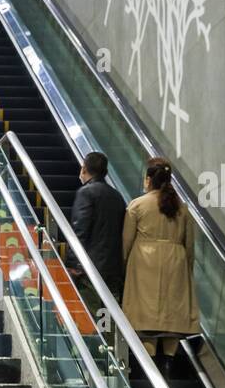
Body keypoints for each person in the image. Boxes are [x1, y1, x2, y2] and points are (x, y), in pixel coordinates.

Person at [122, 156, 200, 369]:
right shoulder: (182, 208)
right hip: (177, 263)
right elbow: (190, 245)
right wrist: (187, 270)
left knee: (146, 318)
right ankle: (169, 365)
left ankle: (148, 367)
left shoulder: (137, 205)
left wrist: (124, 267)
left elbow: (126, 243)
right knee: (171, 318)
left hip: (144, 263)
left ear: (148, 179)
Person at [68, 151, 126, 332]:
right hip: (113, 269)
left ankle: (95, 356)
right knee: (108, 317)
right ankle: (110, 353)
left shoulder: (86, 193)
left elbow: (80, 230)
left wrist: (73, 263)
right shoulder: (117, 196)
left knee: (90, 317)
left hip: (91, 269)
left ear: (84, 168)